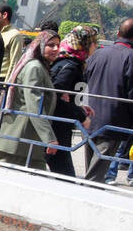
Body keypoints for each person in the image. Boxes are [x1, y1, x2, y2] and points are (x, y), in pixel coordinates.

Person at [0, 30, 69, 171]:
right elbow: (34, 103)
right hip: (18, 141)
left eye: (58, 45)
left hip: (28, 144)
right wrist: (49, 138)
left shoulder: (41, 67)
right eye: (50, 45)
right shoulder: (34, 67)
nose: (56, 49)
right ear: (40, 46)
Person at [82, 18, 133, 183]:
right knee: (95, 176)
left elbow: (85, 79)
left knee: (92, 169)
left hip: (90, 118)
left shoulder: (99, 52)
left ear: (118, 33)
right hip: (113, 121)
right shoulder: (130, 57)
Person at [46, 25, 98, 176]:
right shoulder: (71, 65)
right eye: (94, 42)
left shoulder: (69, 60)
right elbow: (54, 94)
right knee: (65, 175)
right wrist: (81, 116)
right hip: (56, 127)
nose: (96, 46)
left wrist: (79, 108)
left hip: (59, 124)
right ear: (85, 43)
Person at [0, 3, 28, 81]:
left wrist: (6, 85)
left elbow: (14, 62)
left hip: (2, 79)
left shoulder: (15, 35)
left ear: (4, 15)